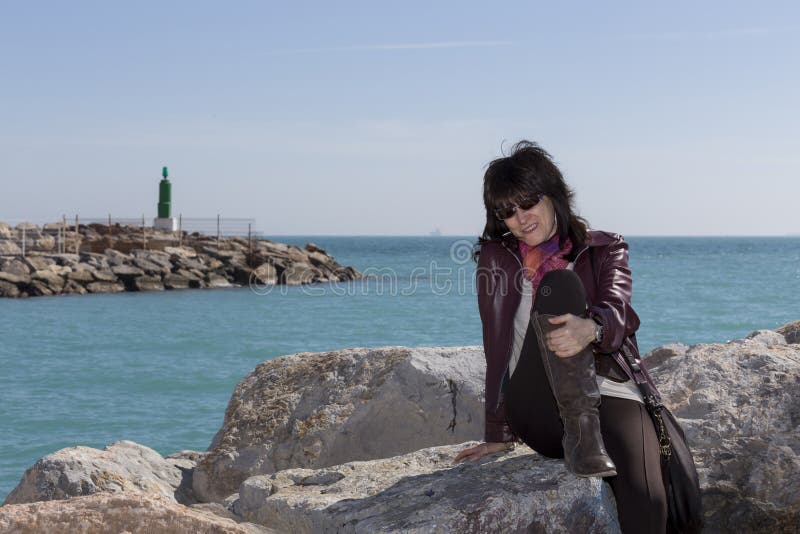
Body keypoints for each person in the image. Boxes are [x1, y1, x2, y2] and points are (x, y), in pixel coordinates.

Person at [454, 141, 667, 533]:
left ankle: (586, 431)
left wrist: (593, 328)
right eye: (507, 211)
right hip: (538, 404)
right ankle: (581, 431)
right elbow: (496, 344)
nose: (520, 218)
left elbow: (620, 311)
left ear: (553, 194)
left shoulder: (605, 248)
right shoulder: (497, 260)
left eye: (528, 202)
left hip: (607, 391)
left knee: (648, 497)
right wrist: (497, 432)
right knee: (558, 286)